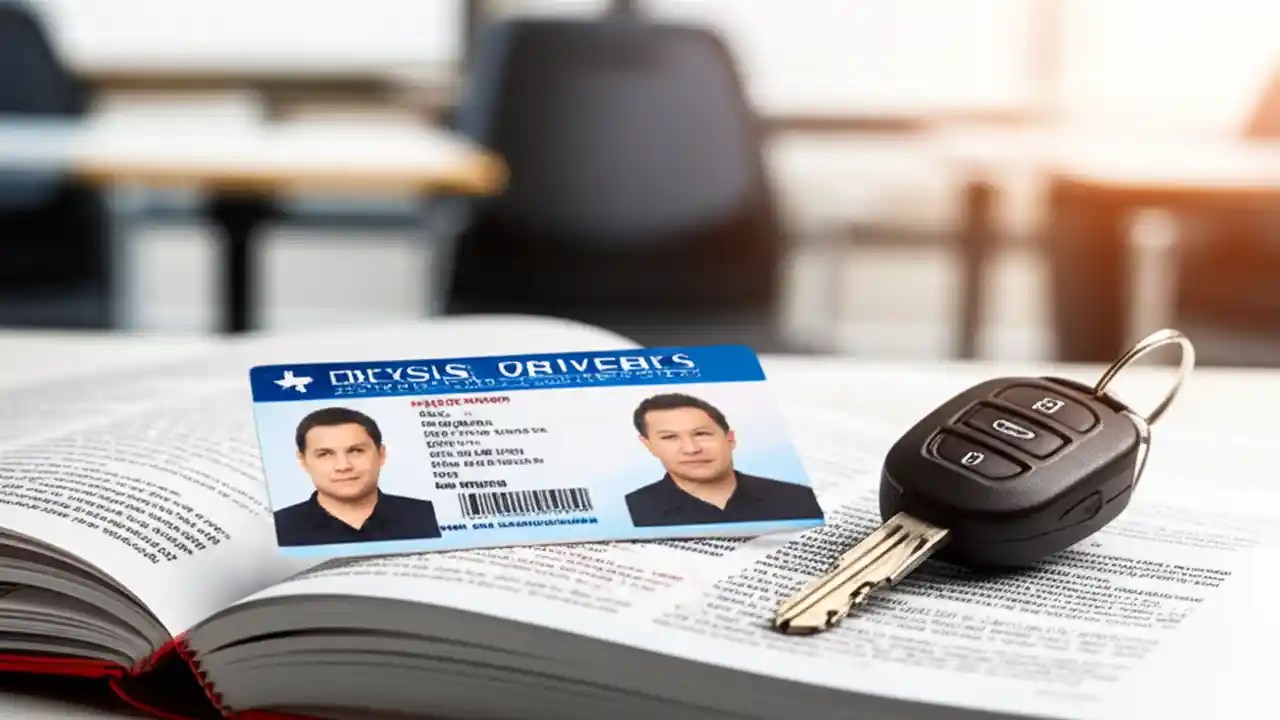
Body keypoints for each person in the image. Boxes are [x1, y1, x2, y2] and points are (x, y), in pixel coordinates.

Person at [624, 393, 823, 527]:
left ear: (730, 438)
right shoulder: (630, 510)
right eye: (669, 437)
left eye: (702, 434)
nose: (692, 449)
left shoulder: (798, 498)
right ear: (649, 446)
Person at [273, 406, 441, 546]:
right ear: (303, 461)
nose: (343, 466)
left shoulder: (427, 515)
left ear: (381, 454)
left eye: (356, 451)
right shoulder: (277, 528)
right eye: (325, 454)